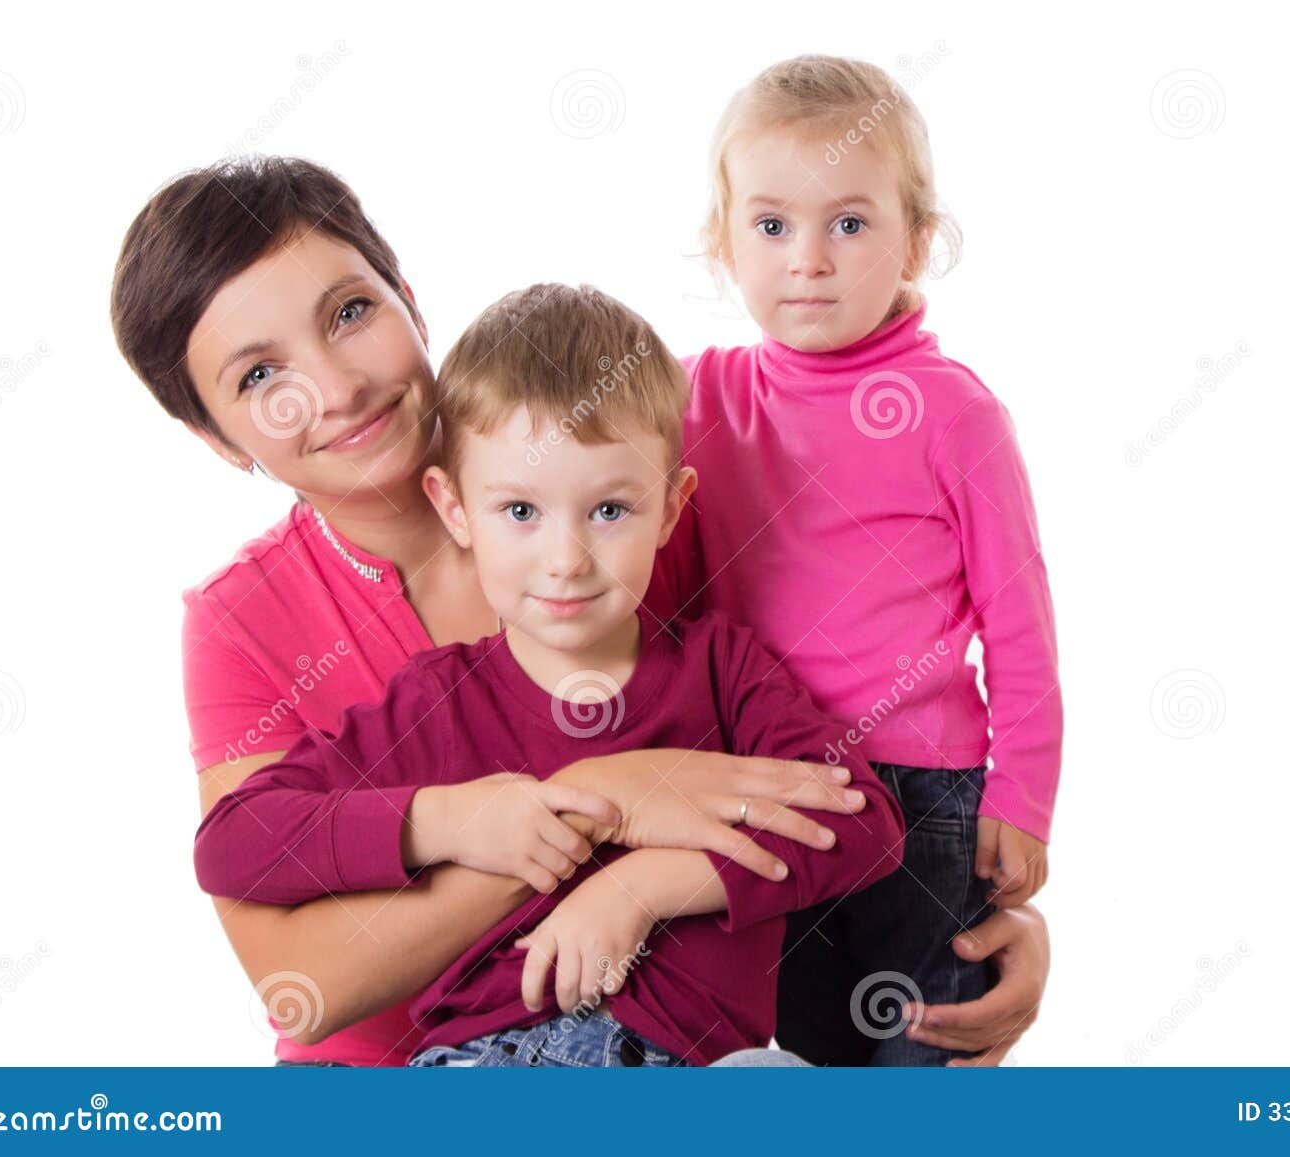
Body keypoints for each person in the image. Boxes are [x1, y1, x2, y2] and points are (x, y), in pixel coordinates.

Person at [110, 154, 1049, 1068]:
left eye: (351, 313)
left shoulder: (617, 450)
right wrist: (604, 801)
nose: (337, 385)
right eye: (258, 377)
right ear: (216, 439)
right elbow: (297, 977)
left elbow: (871, 692)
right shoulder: (243, 621)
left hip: (683, 1051)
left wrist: (952, 922)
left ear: (407, 294)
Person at [195, 284, 906, 1066]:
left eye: (609, 511)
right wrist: (445, 819)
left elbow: (864, 825)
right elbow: (233, 841)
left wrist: (642, 887)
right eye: (521, 513)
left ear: (670, 509)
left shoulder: (723, 670)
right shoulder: (438, 704)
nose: (566, 561)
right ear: (456, 509)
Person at [653, 54, 1065, 1065]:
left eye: (849, 222)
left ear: (918, 240)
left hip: (924, 791)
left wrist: (1021, 796)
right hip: (763, 779)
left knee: (917, 1046)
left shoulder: (955, 414)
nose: (807, 259)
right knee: (798, 1047)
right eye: (769, 225)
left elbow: (1019, 621)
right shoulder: (700, 395)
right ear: (723, 241)